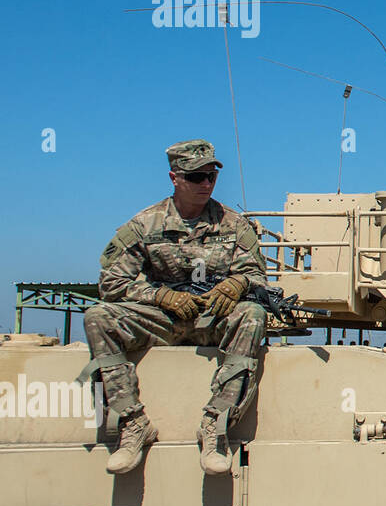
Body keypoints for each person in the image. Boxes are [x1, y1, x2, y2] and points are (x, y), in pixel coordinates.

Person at [80, 140, 268, 476]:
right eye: (196, 177)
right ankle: (132, 423)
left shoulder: (233, 225)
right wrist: (160, 296)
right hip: (163, 321)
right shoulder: (144, 225)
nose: (206, 184)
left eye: (211, 176)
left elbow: (257, 275)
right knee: (98, 318)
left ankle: (216, 426)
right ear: (174, 177)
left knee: (252, 315)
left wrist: (235, 285)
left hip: (213, 321)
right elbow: (111, 284)